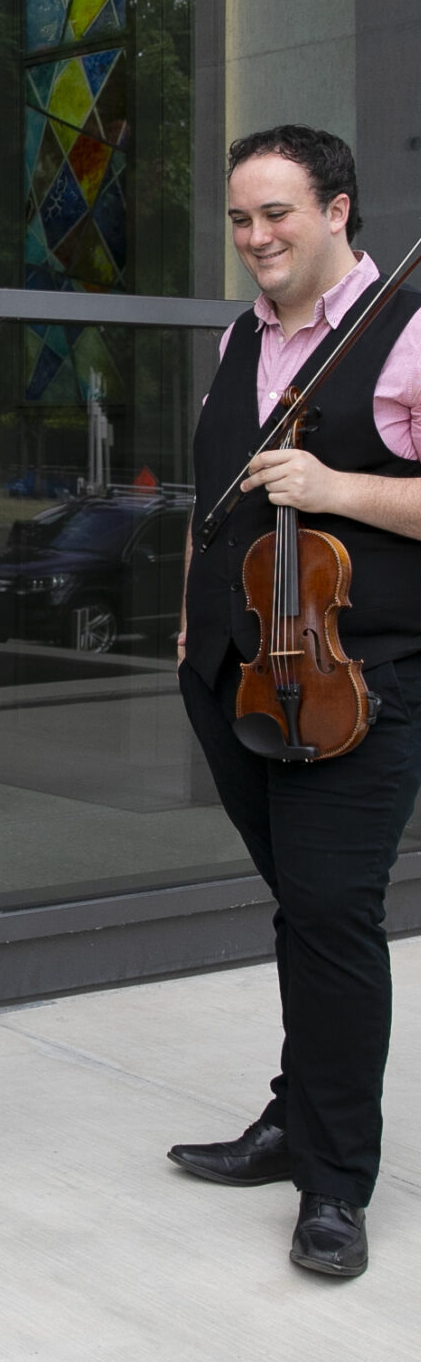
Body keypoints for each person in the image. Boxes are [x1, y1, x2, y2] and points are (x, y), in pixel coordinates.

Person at [172, 124, 421, 1280]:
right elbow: (212, 497)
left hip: (359, 681)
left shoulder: (407, 331)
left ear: (339, 210)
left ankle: (333, 1183)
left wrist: (336, 488)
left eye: (277, 213)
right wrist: (189, 622)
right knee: (303, 914)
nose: (256, 237)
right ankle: (293, 1113)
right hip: (233, 672)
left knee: (331, 914)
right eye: (239, 218)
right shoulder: (242, 336)